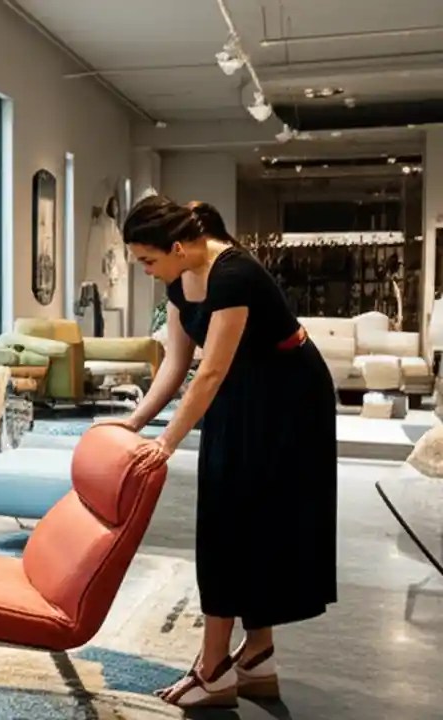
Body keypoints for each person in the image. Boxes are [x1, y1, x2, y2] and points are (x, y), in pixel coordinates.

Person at [101, 195, 337, 709]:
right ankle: (257, 657)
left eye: (147, 259)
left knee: (238, 519)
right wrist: (137, 420)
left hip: (289, 396)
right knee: (235, 516)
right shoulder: (177, 277)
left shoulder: (234, 275)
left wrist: (168, 442)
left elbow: (211, 370)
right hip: (243, 389)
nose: (144, 271)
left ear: (179, 245)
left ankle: (214, 670)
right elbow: (178, 361)